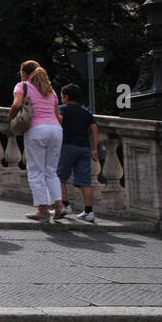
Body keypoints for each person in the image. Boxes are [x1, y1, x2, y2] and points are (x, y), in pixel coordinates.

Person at [9, 60, 66, 221]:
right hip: (55, 130)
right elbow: (57, 116)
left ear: (24, 74)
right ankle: (59, 205)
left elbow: (17, 103)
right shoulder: (51, 91)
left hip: (37, 130)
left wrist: (11, 117)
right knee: (51, 170)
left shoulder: (23, 86)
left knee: (35, 170)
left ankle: (42, 209)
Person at [57, 84, 100, 222]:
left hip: (67, 146)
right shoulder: (86, 112)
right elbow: (94, 129)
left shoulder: (62, 109)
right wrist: (95, 149)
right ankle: (89, 211)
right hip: (85, 148)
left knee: (60, 177)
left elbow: (59, 120)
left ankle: (65, 205)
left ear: (65, 97)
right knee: (85, 180)